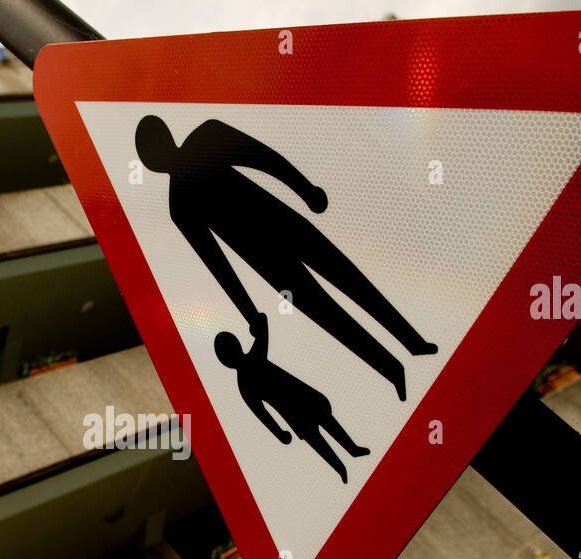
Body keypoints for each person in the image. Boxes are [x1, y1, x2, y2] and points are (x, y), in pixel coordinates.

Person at [136, 114, 437, 401]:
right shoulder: (181, 201)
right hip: (271, 258)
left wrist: (306, 190)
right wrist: (248, 312)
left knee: (352, 285)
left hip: (284, 231)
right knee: (335, 314)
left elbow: (261, 157)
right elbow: (218, 265)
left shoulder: (204, 141)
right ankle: (394, 368)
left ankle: (410, 344)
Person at [214, 314, 369, 483]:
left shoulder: (248, 372)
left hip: (302, 401)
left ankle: (349, 454)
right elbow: (263, 415)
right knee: (320, 439)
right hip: (296, 409)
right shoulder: (247, 376)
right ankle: (342, 467)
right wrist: (279, 433)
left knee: (327, 428)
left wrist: (280, 433)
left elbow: (262, 414)